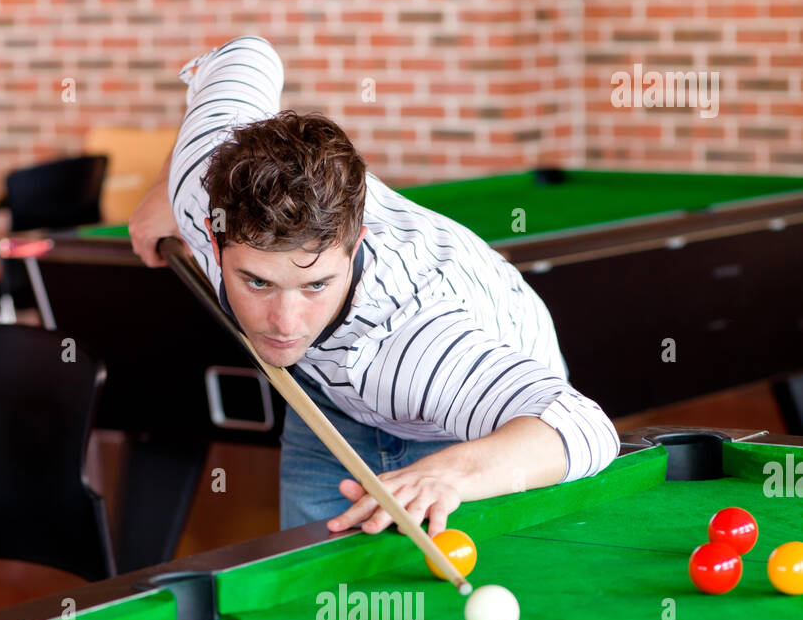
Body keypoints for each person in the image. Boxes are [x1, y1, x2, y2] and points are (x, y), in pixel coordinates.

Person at [129, 36, 619, 536]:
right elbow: (245, 52)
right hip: (328, 397)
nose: (284, 323)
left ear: (354, 243)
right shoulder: (199, 180)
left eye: (315, 284)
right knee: (309, 593)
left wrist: (446, 472)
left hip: (471, 430)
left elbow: (583, 427)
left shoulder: (416, 343)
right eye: (257, 281)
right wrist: (165, 186)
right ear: (213, 240)